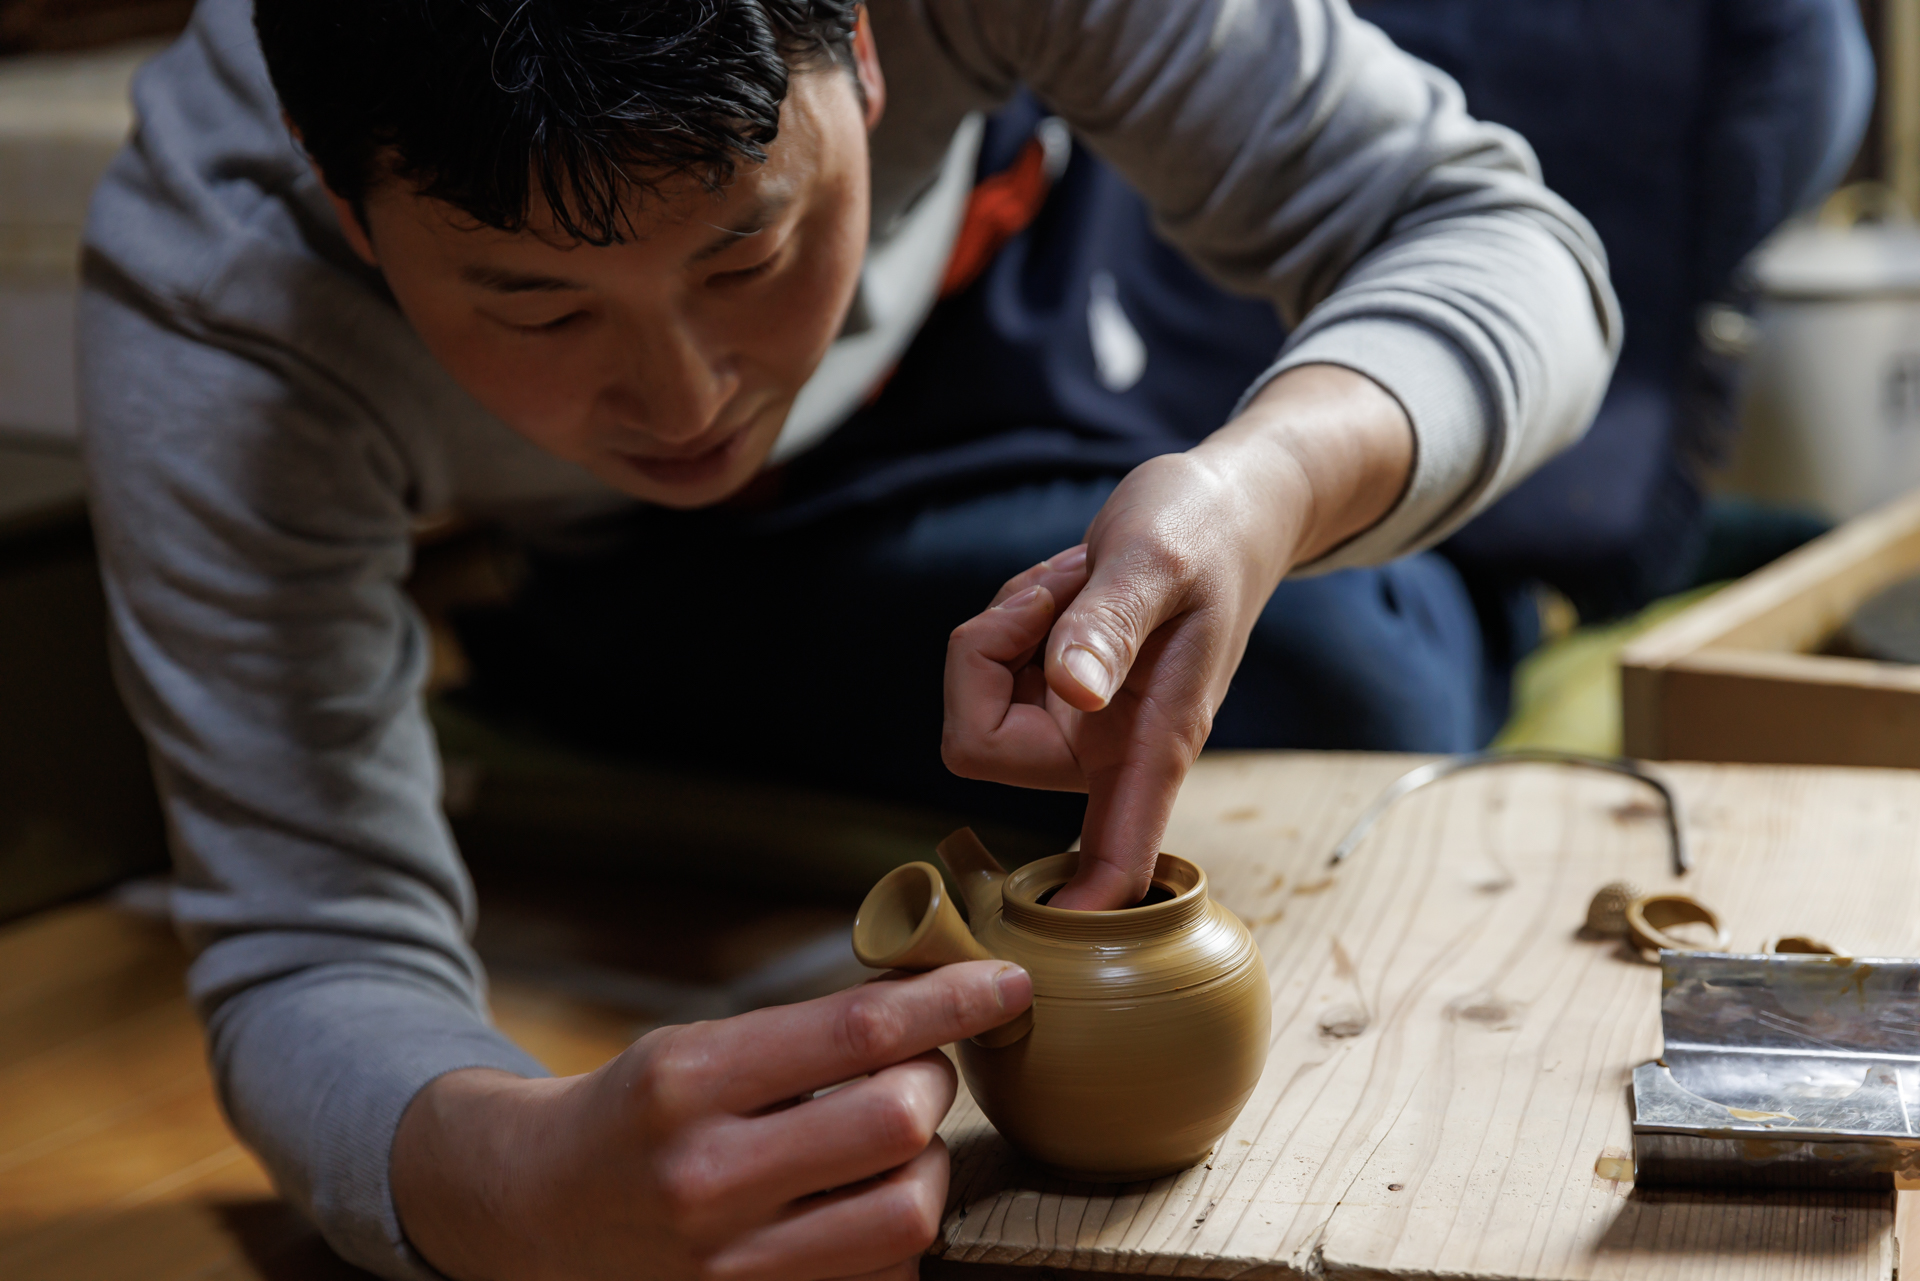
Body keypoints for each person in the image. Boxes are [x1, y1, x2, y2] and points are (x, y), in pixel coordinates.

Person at [77, 0, 1616, 1277]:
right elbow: (304, 941)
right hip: (666, 552)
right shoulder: (220, 296)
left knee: (1758, 69)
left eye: (744, 254)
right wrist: (513, 1178)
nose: (684, 398)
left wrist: (1264, 485)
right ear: (342, 203)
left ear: (865, 52)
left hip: (1036, 245)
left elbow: (1491, 229)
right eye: (541, 312)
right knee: (1353, 669)